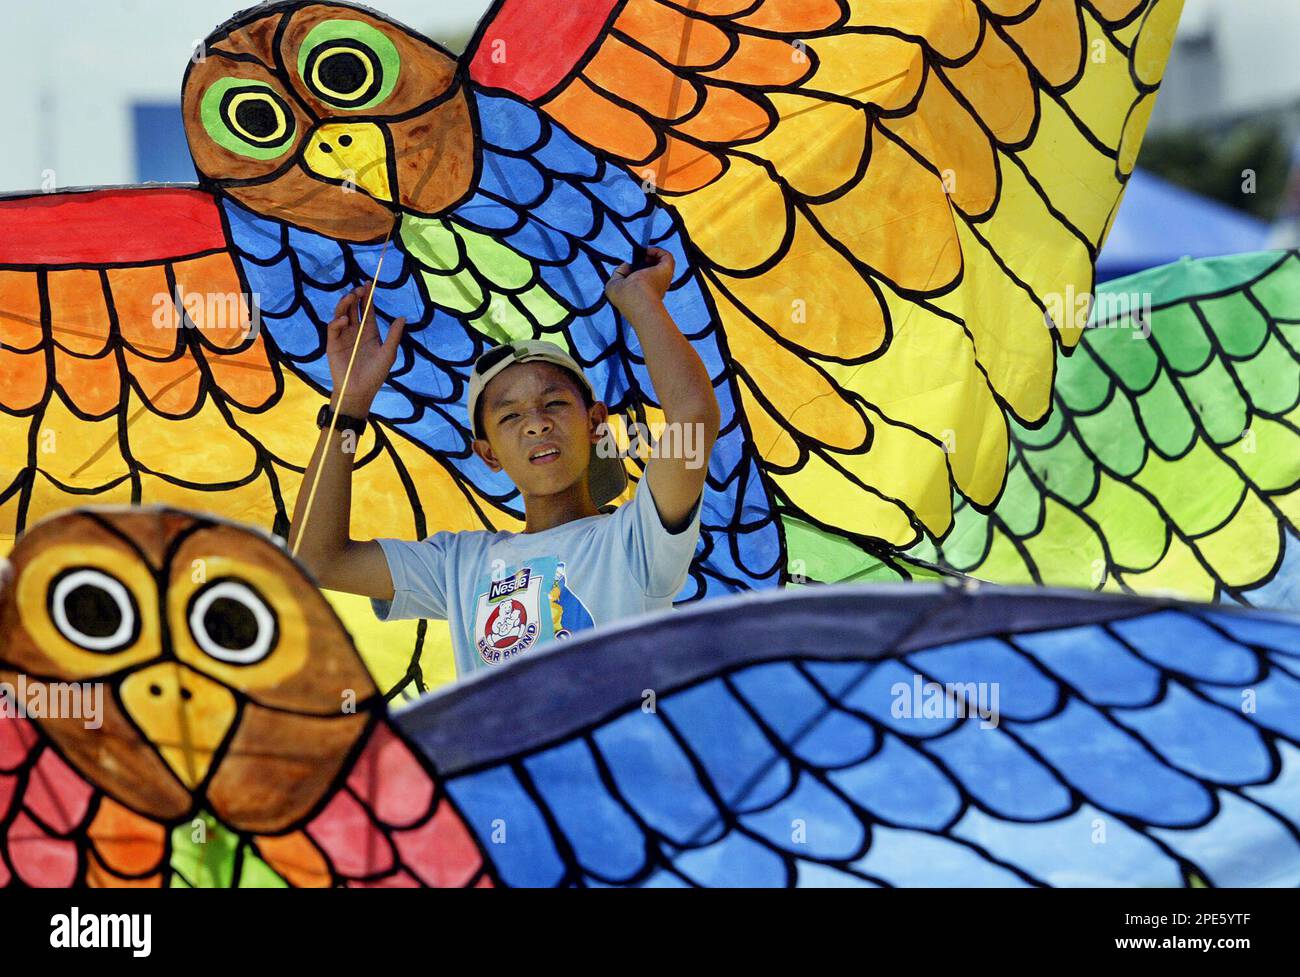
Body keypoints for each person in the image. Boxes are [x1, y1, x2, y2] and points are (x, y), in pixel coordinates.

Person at [288, 247, 720, 677]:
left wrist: (643, 302)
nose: (536, 424)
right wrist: (349, 405)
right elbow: (316, 559)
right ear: (488, 453)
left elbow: (693, 422)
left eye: (553, 402)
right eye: (510, 416)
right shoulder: (459, 564)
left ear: (595, 422)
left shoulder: (636, 540)